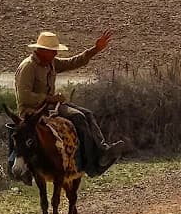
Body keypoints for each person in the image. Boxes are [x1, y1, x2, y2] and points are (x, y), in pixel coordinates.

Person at [13, 30, 128, 179]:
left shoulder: (51, 62)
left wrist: (95, 50)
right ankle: (90, 165)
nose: (55, 53)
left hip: (49, 106)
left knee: (87, 114)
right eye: (52, 51)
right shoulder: (28, 67)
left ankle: (102, 151)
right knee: (78, 117)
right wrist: (50, 98)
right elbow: (24, 96)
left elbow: (73, 62)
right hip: (32, 111)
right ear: (42, 50)